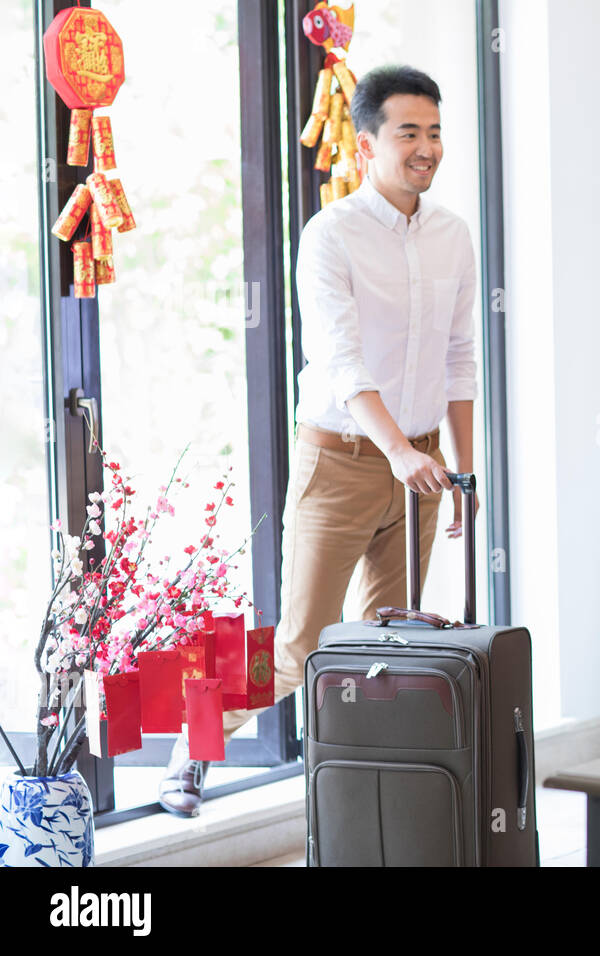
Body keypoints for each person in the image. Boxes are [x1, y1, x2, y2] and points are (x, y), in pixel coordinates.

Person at [158, 65, 479, 815]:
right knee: (300, 645)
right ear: (366, 144)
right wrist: (399, 450)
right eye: (409, 133)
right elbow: (341, 361)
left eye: (434, 132)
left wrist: (462, 470)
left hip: (423, 467)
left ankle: (371, 793)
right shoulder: (331, 235)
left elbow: (459, 355)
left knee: (386, 643)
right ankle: (191, 742)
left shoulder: (453, 236)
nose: (426, 147)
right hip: (341, 461)